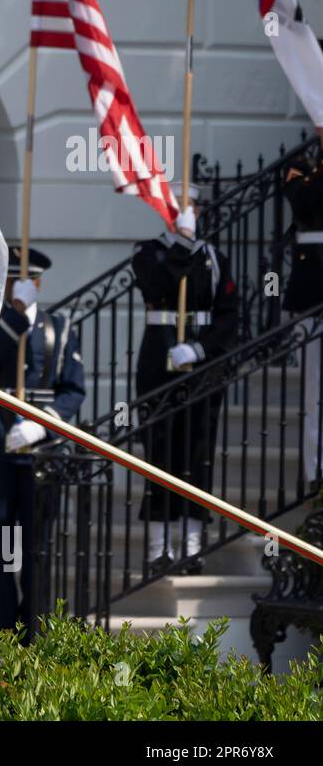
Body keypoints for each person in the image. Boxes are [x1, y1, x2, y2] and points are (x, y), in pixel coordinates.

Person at [0, 245, 85, 641]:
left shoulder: (59, 328)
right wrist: (15, 314)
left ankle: (33, 635)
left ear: (39, 282)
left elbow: (73, 390)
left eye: (27, 280)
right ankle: (2, 633)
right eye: (13, 278)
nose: (20, 284)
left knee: (38, 546)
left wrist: (42, 426)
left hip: (41, 449)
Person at [131, 196, 236, 575]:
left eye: (190, 207)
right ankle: (160, 548)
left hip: (199, 362)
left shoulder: (214, 257)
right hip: (159, 356)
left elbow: (229, 314)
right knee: (160, 451)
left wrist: (199, 347)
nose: (185, 212)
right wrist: (182, 242)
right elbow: (160, 282)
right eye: (177, 206)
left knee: (198, 452)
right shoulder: (148, 252)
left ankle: (192, 545)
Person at [284, 133, 323, 493]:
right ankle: (314, 476)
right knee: (312, 390)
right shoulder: (302, 170)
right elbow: (305, 201)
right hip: (311, 290)